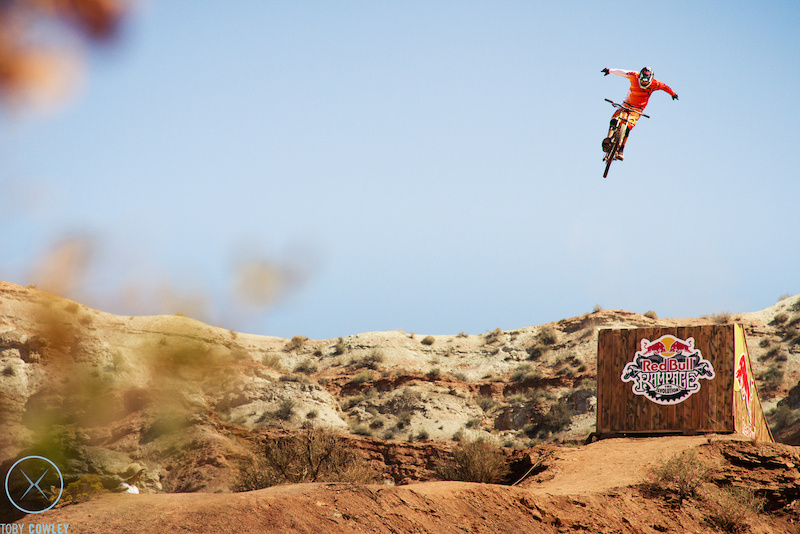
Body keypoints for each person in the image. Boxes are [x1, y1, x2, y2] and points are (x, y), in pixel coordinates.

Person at [601, 67, 678, 160]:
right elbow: (622, 72)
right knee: (615, 118)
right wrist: (609, 70)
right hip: (627, 103)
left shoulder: (655, 83)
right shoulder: (634, 75)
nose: (643, 83)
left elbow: (665, 87)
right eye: (642, 81)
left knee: (628, 127)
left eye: (646, 82)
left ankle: (621, 150)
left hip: (638, 109)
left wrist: (673, 94)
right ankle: (608, 139)